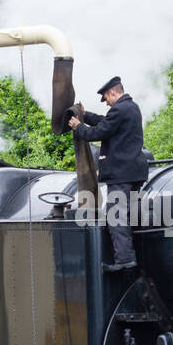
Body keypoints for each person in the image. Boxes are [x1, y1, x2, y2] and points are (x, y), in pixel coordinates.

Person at [67, 75, 149, 271]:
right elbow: (105, 121)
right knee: (127, 216)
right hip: (134, 172)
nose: (107, 104)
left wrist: (78, 127)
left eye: (107, 99)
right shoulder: (131, 107)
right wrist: (85, 115)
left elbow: (97, 133)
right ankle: (131, 256)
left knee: (116, 216)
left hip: (121, 173)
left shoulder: (119, 109)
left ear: (113, 92)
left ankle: (124, 260)